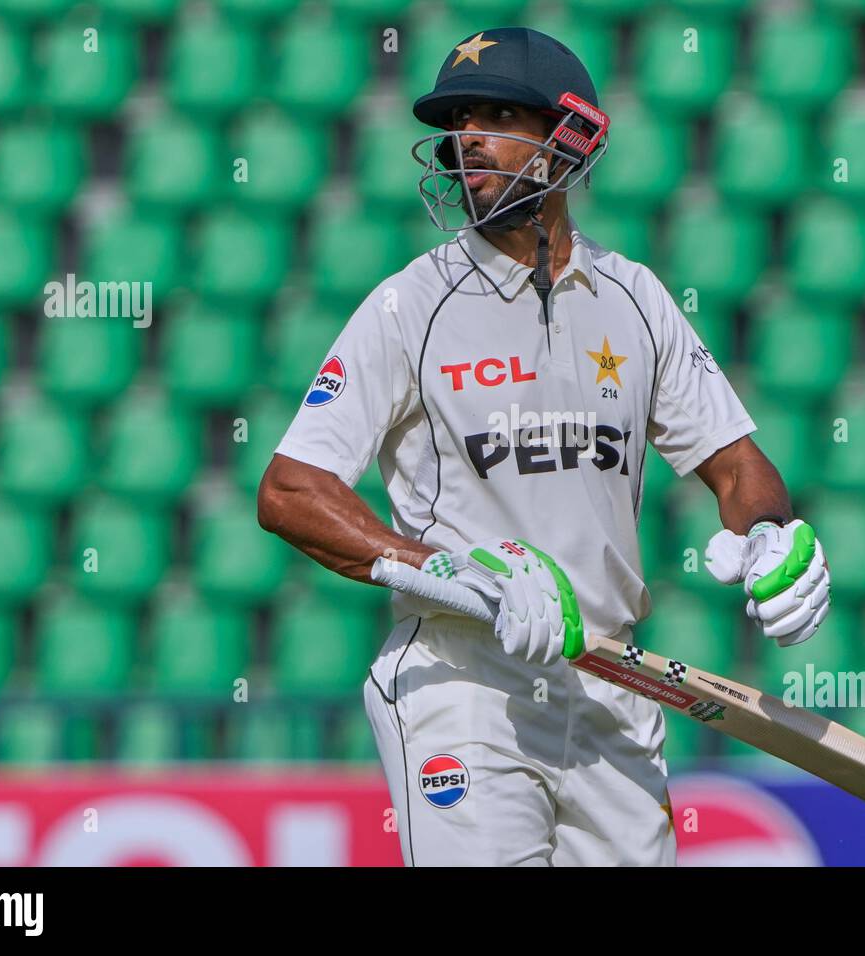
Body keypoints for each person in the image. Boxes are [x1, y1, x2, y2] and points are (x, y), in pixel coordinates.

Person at [257, 26, 831, 866]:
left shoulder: (635, 299)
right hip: (462, 684)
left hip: (616, 690)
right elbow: (289, 490)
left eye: (498, 114)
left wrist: (770, 534)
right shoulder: (408, 306)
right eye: (460, 120)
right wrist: (452, 574)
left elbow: (738, 465)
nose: (470, 138)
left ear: (569, 138)